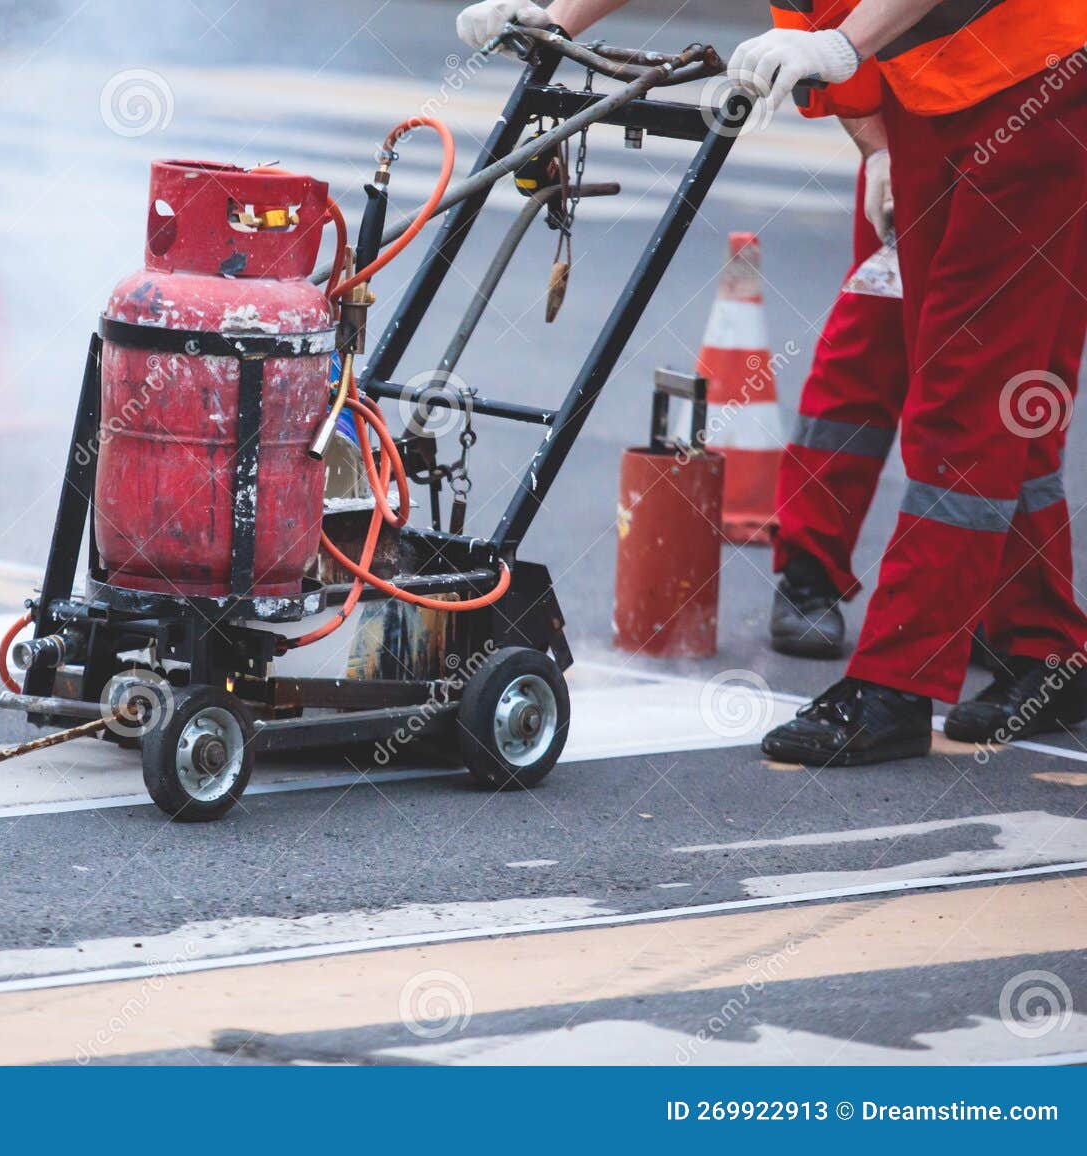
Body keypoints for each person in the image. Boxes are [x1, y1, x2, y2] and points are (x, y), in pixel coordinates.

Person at [459, 0, 1087, 761]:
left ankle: (897, 683)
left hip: (1036, 86)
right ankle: (1049, 650)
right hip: (931, 97)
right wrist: (553, 18)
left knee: (964, 400)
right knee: (998, 397)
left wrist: (843, 44)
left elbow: (844, 39)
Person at [460, 1, 907, 662]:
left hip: (1015, 106)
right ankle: (814, 572)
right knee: (868, 349)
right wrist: (554, 22)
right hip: (909, 111)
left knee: (983, 381)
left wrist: (845, 64)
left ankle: (1012, 616)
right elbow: (830, 44)